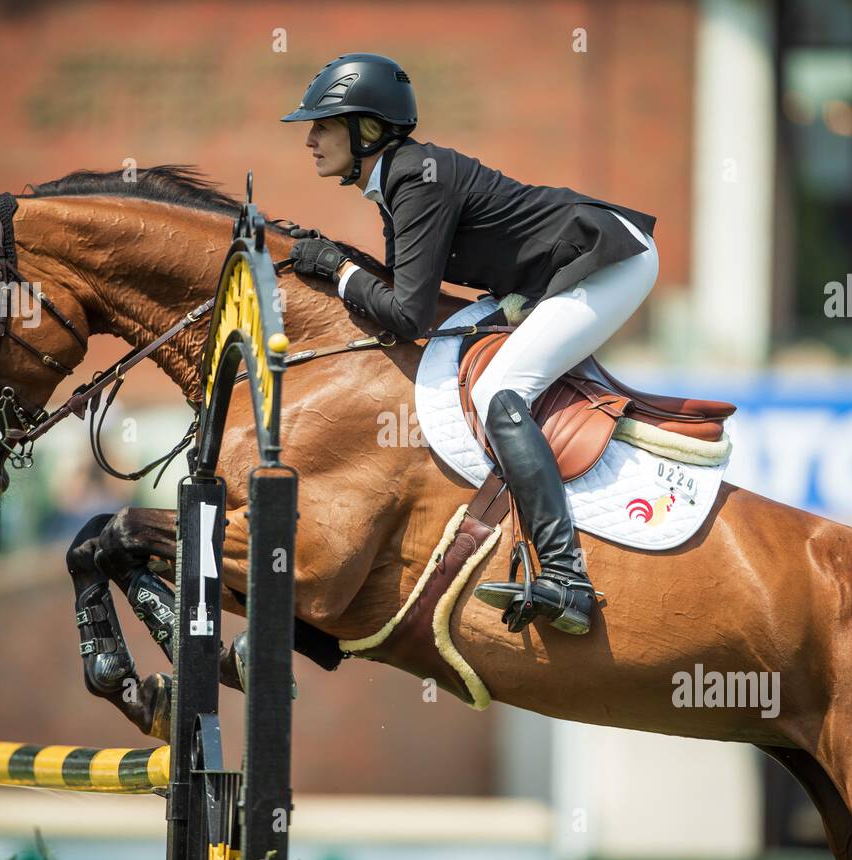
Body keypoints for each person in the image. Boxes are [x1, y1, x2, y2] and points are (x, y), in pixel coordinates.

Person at [282, 52, 660, 635]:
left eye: (323, 125)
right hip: (558, 272)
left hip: (605, 262)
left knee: (500, 391)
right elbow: (409, 294)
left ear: (368, 130)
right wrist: (341, 269)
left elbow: (407, 314)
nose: (310, 139)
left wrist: (337, 270)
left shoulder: (414, 178)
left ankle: (569, 579)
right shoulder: (398, 181)